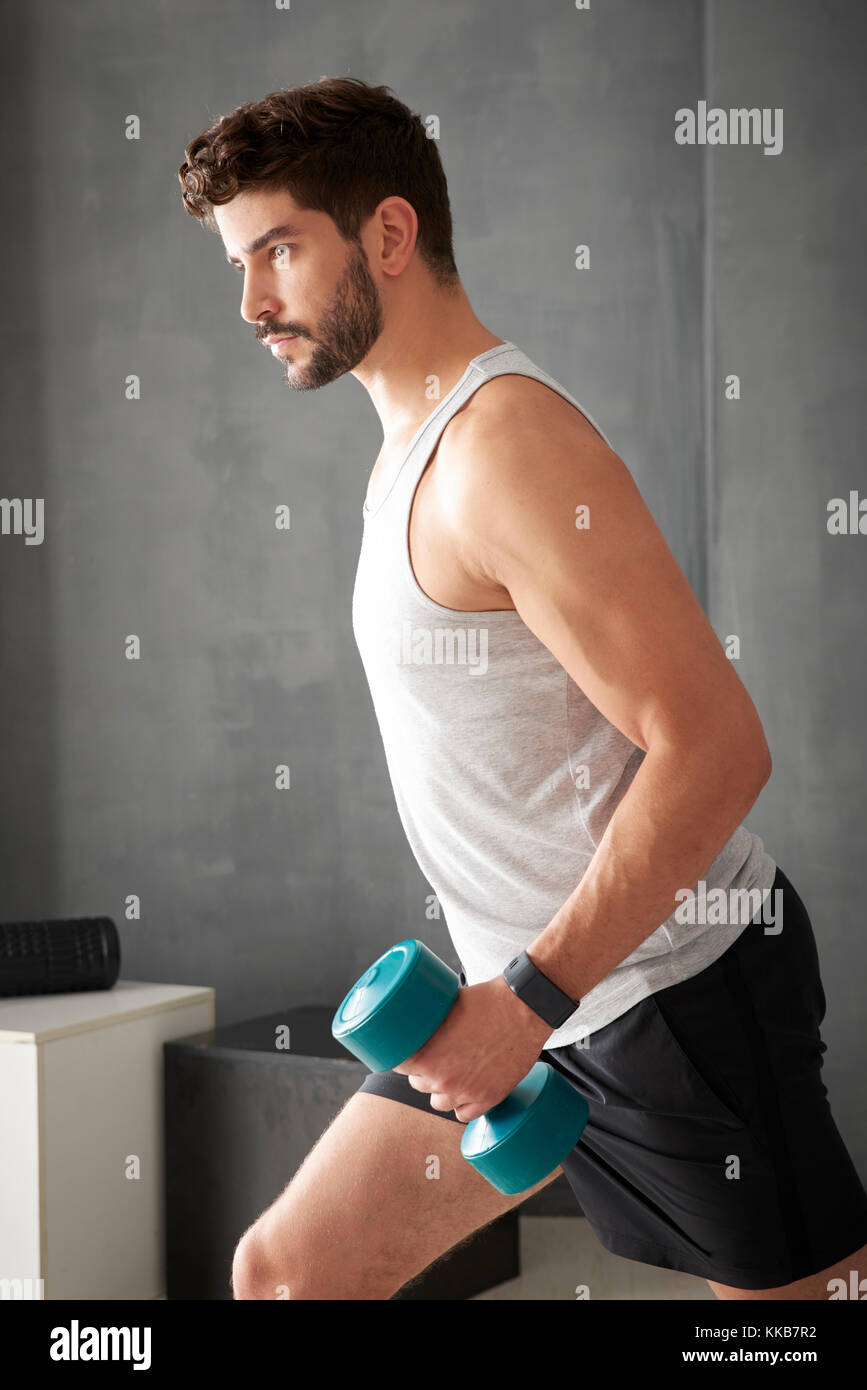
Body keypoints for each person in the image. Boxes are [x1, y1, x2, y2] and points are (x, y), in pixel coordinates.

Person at [178, 75, 867, 1301]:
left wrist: (533, 998)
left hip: (672, 996)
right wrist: (519, 1004)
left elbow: (715, 744)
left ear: (388, 235)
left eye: (277, 249)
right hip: (513, 1001)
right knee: (288, 1276)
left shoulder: (504, 448)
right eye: (239, 262)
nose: (250, 301)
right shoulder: (414, 444)